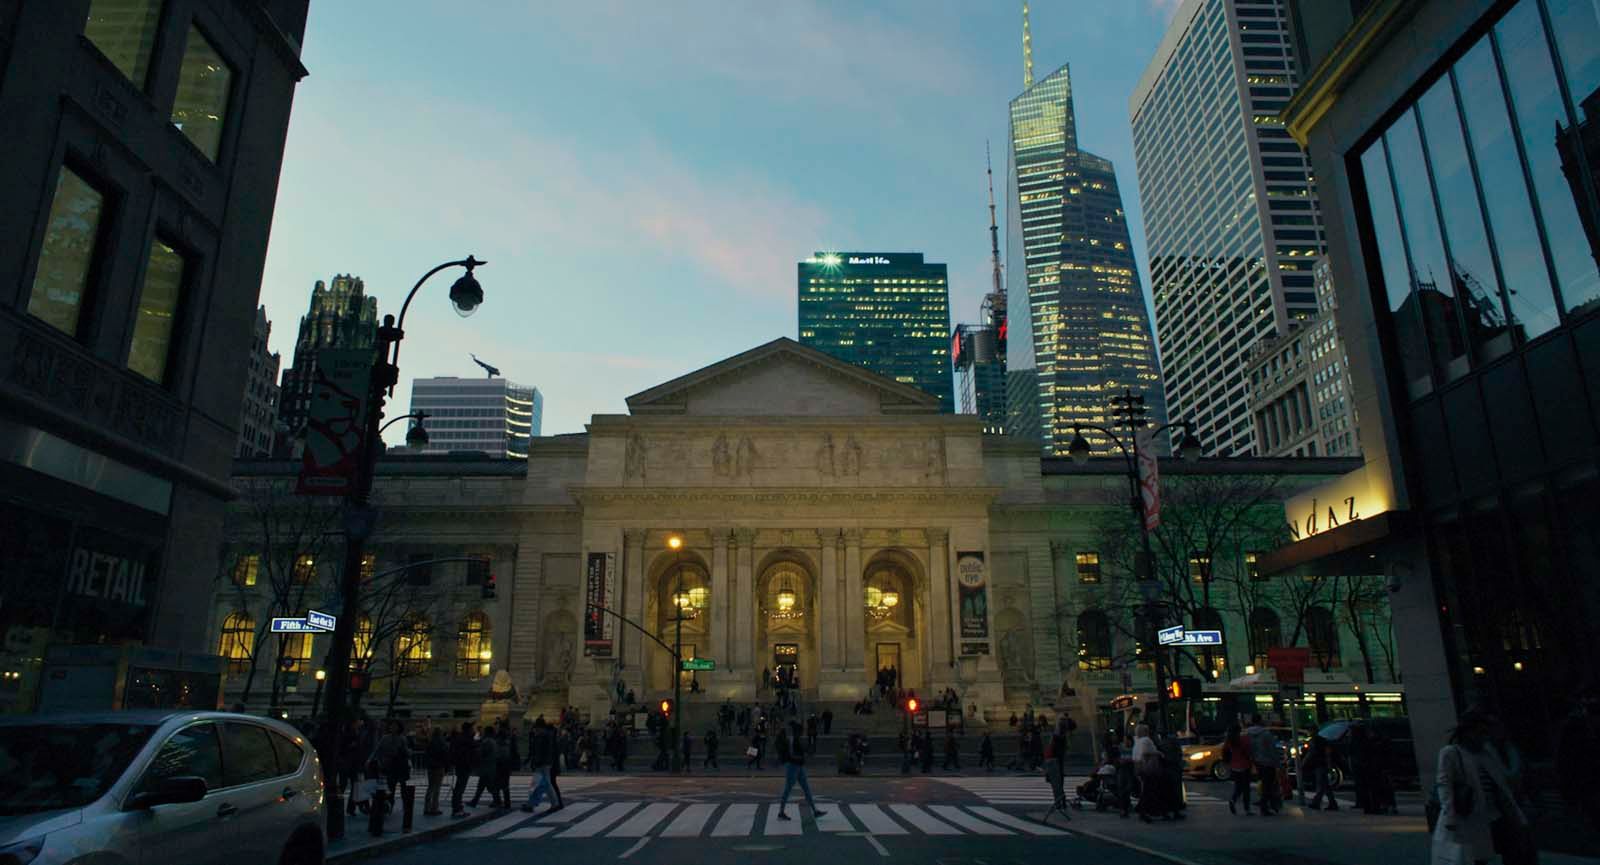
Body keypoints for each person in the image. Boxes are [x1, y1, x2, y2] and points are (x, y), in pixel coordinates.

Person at [1434, 710, 1526, 865]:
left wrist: (1507, 748)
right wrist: (1449, 816)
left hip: (1495, 815)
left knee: (1515, 851)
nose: (1484, 737)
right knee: (1474, 857)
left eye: (1486, 733)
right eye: (1481, 732)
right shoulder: (1451, 753)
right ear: (1469, 732)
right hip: (1469, 816)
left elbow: (1504, 781)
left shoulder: (1487, 753)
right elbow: (1444, 784)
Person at [775, 721, 827, 821]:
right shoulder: (792, 740)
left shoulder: (796, 739)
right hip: (793, 767)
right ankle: (781, 812)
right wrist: (801, 758)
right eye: (801, 731)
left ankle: (815, 811)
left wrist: (806, 751)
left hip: (798, 767)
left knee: (806, 789)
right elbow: (791, 755)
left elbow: (801, 750)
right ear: (797, 731)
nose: (802, 733)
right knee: (788, 789)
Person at [522, 718, 560, 813]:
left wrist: (535, 762)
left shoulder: (541, 736)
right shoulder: (547, 735)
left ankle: (533, 804)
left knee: (540, 784)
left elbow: (539, 751)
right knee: (543, 784)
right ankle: (532, 804)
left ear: (539, 727)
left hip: (541, 764)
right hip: (545, 763)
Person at [1246, 716, 1282, 816]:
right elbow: (1272, 750)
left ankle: (1266, 804)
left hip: (1256, 762)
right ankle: (1265, 806)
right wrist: (1278, 764)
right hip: (1268, 762)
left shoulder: (1247, 733)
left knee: (1264, 783)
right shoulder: (1266, 733)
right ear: (1260, 721)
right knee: (1269, 785)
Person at [1132, 723, 1162, 823]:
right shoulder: (1146, 740)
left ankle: (1144, 810)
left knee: (1144, 790)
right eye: (1147, 730)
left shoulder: (1137, 741)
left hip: (1138, 767)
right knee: (1149, 790)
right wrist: (1159, 753)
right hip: (1148, 768)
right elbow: (1146, 753)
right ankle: (1145, 811)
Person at [374, 720, 411, 799]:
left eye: (395, 726)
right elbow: (377, 750)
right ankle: (391, 804)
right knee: (391, 787)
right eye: (392, 725)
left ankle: (404, 804)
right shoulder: (385, 738)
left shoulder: (402, 738)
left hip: (400, 766)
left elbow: (406, 752)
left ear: (399, 728)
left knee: (402, 787)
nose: (392, 727)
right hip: (391, 765)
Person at [1223, 721, 1253, 816]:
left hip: (1234, 766)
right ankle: (1247, 809)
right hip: (1245, 765)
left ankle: (1233, 799)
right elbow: (1248, 751)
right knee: (1246, 788)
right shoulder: (1244, 739)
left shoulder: (1229, 740)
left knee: (1238, 786)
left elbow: (1225, 752)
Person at [1304, 732, 1338, 811]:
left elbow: (1311, 753)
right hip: (1321, 764)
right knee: (1325, 785)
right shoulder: (1321, 740)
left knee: (1321, 784)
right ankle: (1332, 803)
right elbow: (1327, 752)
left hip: (1320, 764)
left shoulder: (1316, 741)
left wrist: (1304, 762)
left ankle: (1317, 802)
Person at [469, 727, 501, 809]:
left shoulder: (487, 741)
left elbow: (482, 753)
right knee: (483, 785)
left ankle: (496, 801)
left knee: (488, 786)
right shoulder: (493, 741)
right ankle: (475, 801)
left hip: (486, 766)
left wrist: (476, 750)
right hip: (491, 766)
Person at [449, 722, 476, 818]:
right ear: (468, 729)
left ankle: (458, 808)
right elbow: (470, 752)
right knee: (460, 788)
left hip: (461, 766)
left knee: (459, 788)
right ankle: (457, 809)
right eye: (472, 728)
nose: (474, 730)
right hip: (464, 766)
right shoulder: (465, 739)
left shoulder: (461, 738)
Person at [423, 727, 449, 816]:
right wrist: (446, 767)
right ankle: (434, 808)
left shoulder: (430, 742)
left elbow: (426, 753)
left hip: (430, 767)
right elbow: (445, 754)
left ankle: (426, 807)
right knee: (437, 788)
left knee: (430, 787)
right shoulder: (442, 742)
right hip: (439, 766)